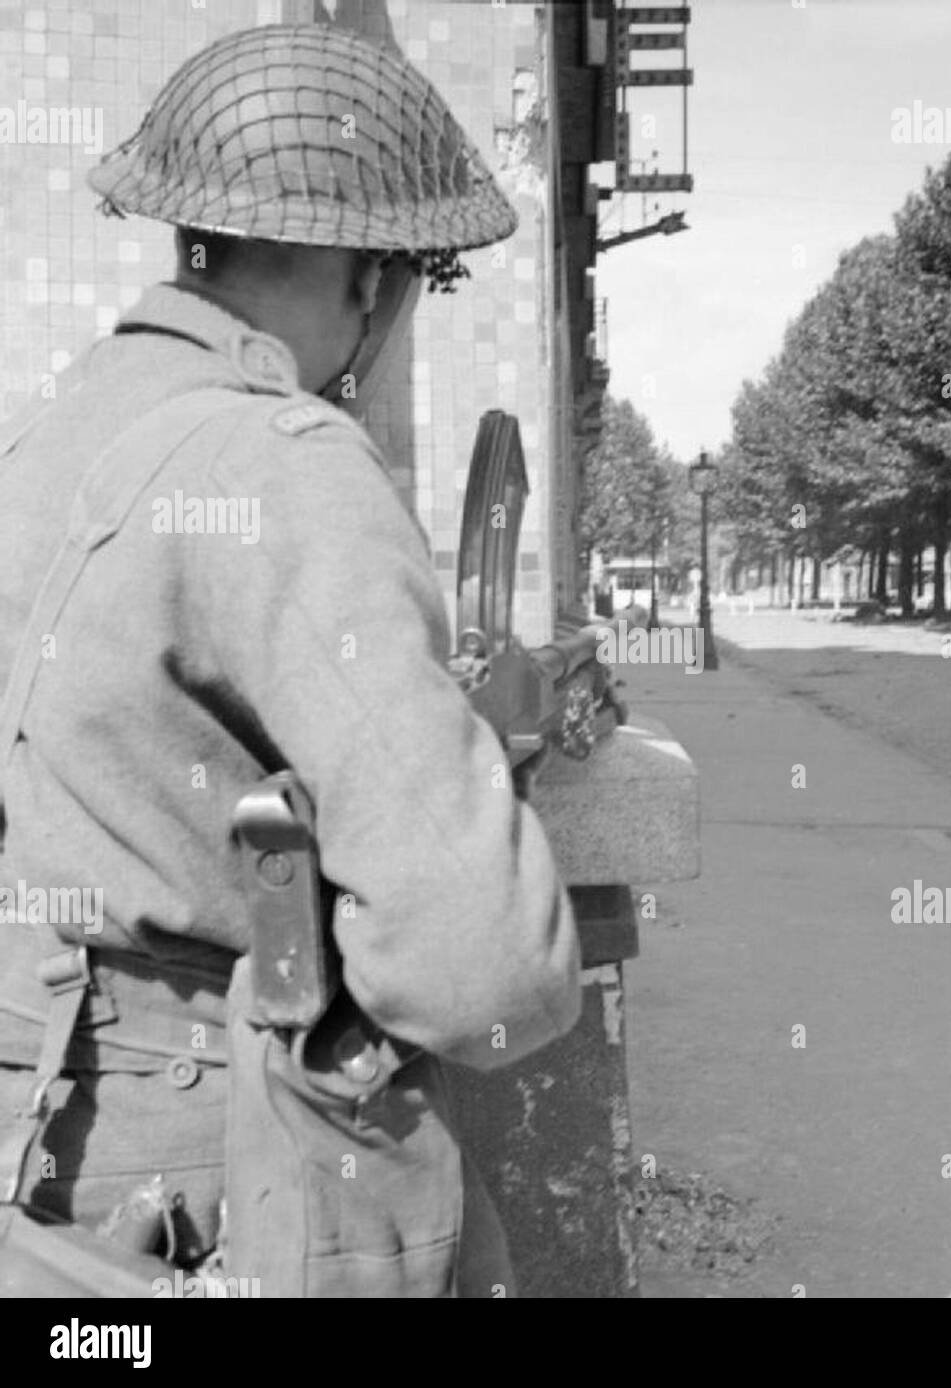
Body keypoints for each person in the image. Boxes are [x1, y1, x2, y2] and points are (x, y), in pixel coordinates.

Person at [0, 22, 580, 1295]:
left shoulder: (37, 441)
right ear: (370, 278)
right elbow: (478, 966)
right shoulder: (285, 460)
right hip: (208, 1178)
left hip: (33, 1151)